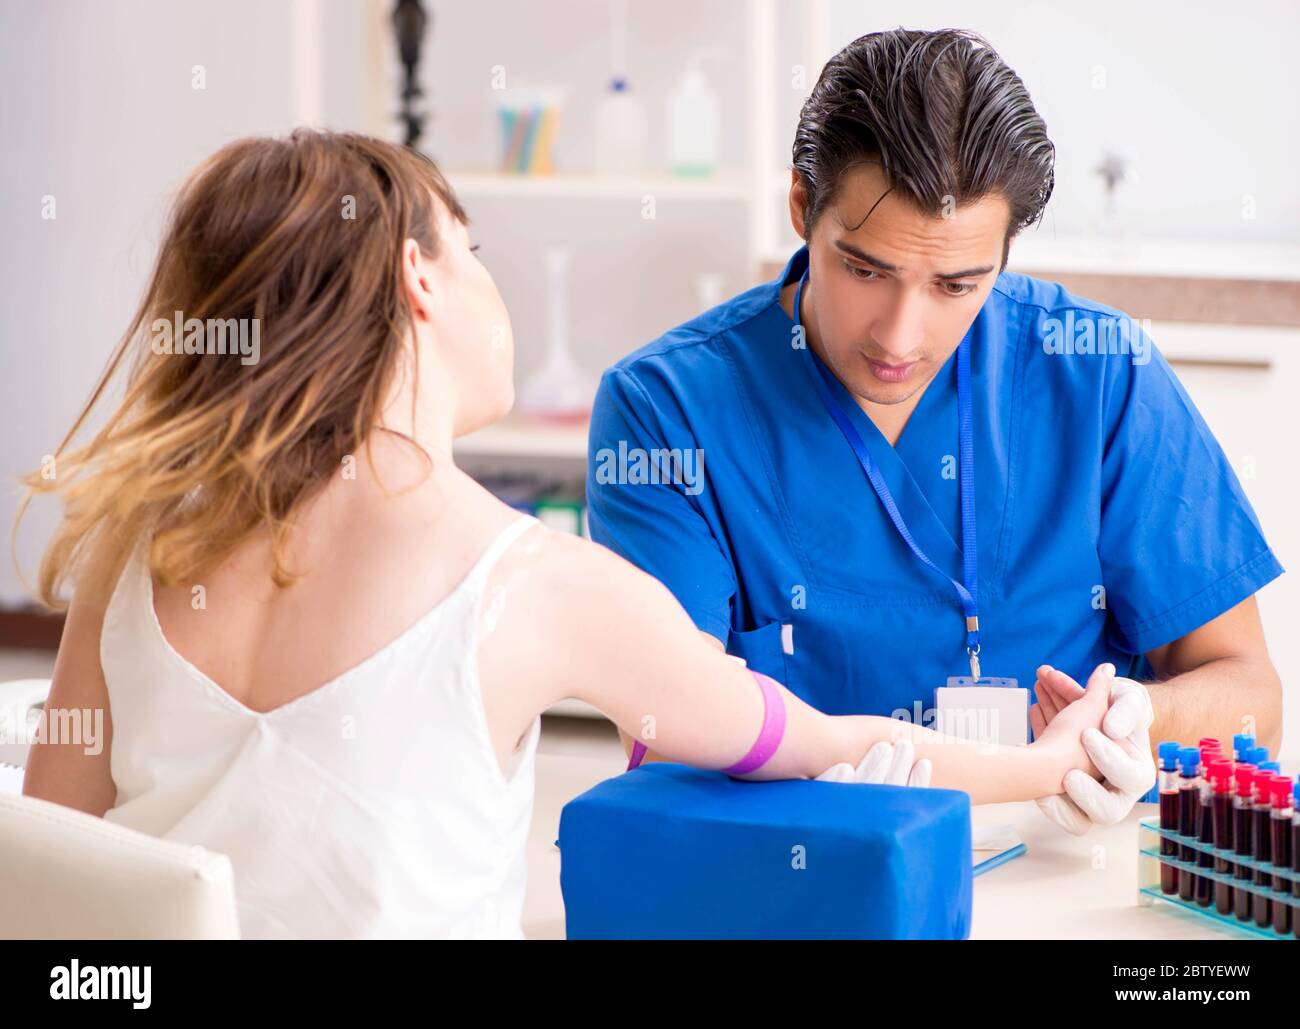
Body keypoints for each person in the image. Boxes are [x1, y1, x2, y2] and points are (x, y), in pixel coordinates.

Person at [18, 130, 1112, 939]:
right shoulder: (531, 581)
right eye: (474, 248)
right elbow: (820, 743)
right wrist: (1040, 763)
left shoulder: (134, 547)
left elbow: (55, 865)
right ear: (417, 278)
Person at [587, 28, 1283, 833]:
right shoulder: (668, 411)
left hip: (1064, 861)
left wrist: (1138, 720)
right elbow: (666, 730)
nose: (901, 335)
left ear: (1005, 252)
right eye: (865, 269)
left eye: (957, 283)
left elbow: (1251, 698)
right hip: (809, 876)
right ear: (801, 207)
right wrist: (813, 790)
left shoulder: (1097, 373)